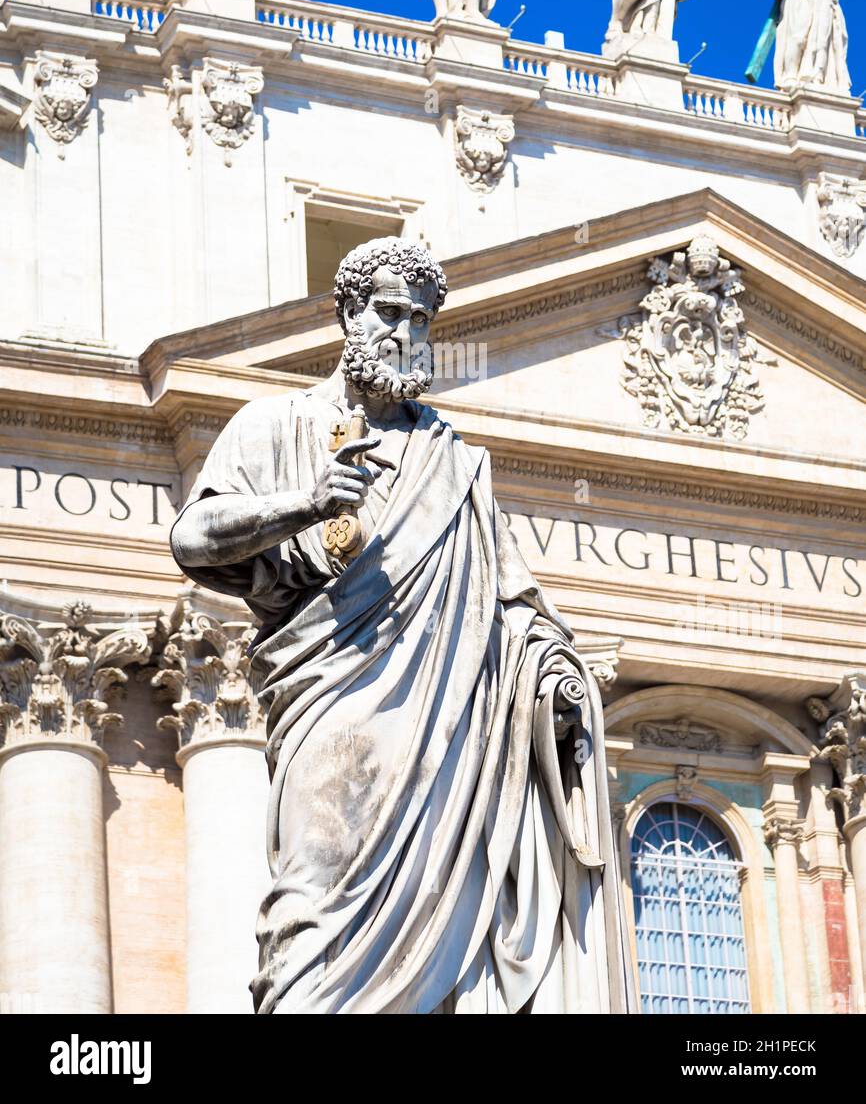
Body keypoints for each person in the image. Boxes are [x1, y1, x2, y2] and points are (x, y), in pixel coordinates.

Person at [170, 236, 634, 1015]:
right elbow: (192, 538)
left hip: (446, 735)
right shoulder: (274, 423)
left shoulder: (455, 463)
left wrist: (551, 678)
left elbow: (512, 605)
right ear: (348, 312)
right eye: (388, 311)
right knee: (309, 908)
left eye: (420, 319)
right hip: (334, 710)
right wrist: (306, 504)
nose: (404, 332)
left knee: (448, 936)